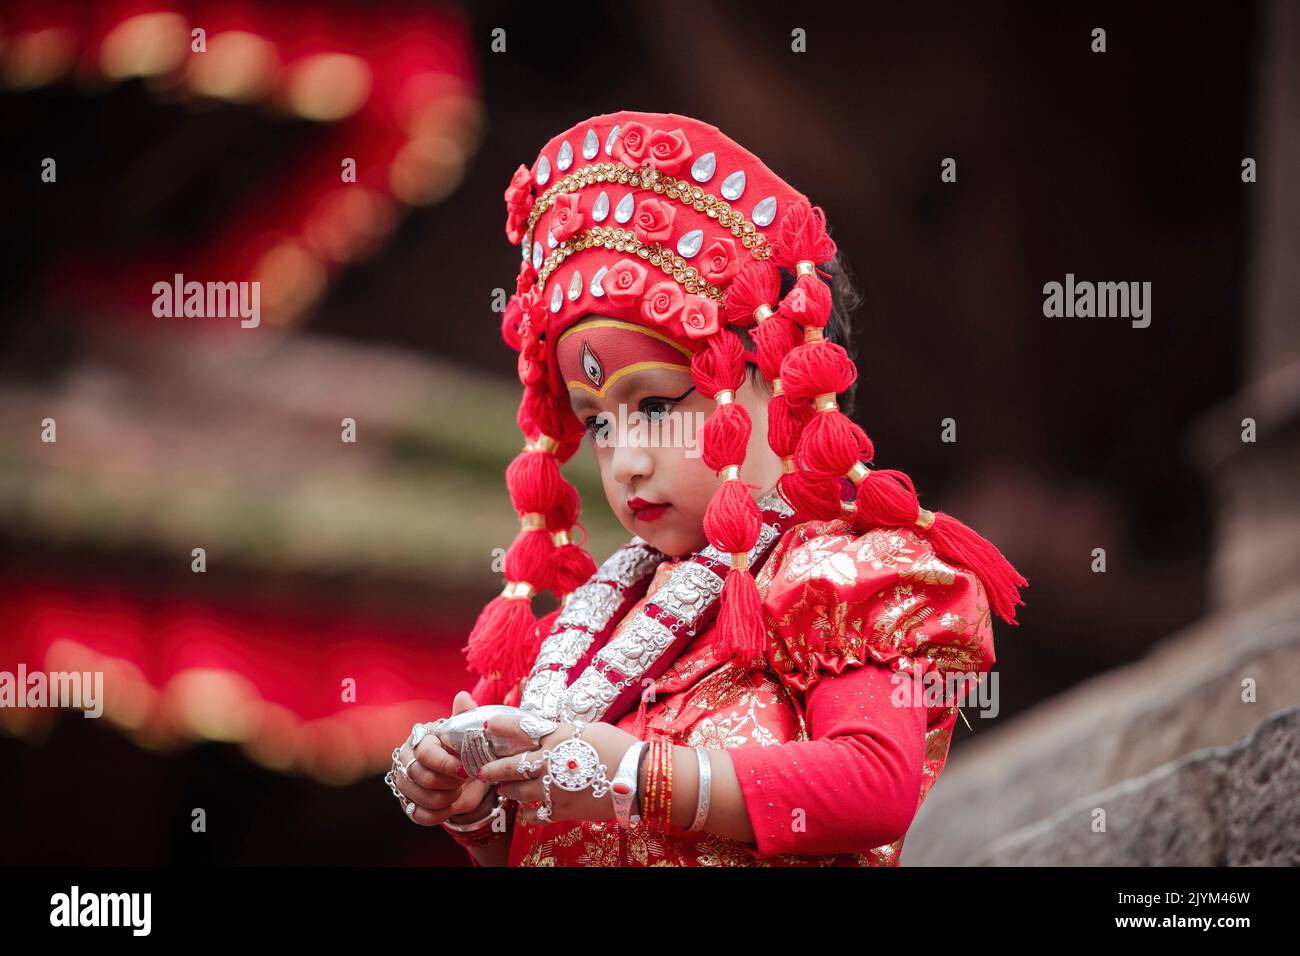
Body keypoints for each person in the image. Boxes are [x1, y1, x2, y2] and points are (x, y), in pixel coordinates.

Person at [384, 110, 1028, 866]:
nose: (625, 461)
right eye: (598, 425)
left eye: (656, 406)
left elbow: (874, 784)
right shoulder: (602, 623)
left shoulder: (839, 573)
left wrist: (633, 775)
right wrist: (483, 810)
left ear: (778, 381)